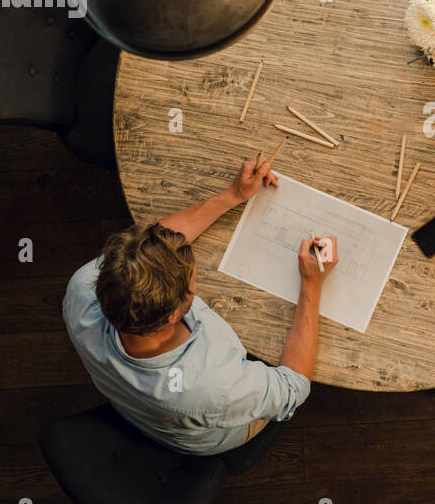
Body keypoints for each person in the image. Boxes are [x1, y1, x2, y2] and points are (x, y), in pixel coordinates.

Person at [62, 156, 337, 455]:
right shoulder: (212, 384)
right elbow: (293, 389)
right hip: (214, 429)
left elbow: (153, 244)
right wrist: (311, 283)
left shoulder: (83, 287)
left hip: (141, 404)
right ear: (173, 315)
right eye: (193, 281)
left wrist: (233, 195)